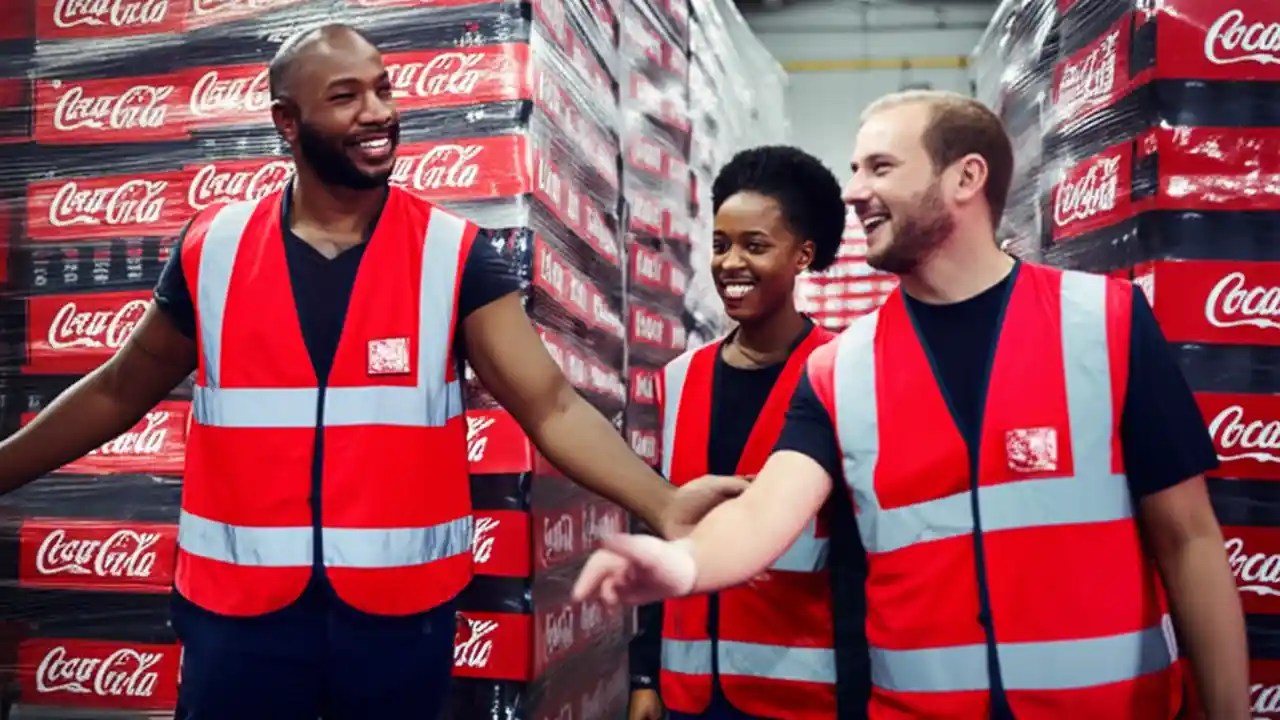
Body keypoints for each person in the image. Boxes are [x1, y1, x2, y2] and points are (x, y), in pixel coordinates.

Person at [0, 24, 743, 720]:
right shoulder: (213, 248)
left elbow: (550, 405)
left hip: (398, 620)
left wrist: (664, 504)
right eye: (346, 96)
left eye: (383, 89)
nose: (378, 112)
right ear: (286, 123)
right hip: (239, 616)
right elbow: (119, 388)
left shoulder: (452, 253)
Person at [575, 89, 1252, 719]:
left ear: (966, 178)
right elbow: (762, 513)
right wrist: (681, 564)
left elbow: (1188, 538)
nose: (854, 191)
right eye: (854, 168)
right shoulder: (841, 369)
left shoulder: (1103, 322)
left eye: (880, 167)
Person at [627, 146, 847, 720]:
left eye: (755, 246)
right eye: (721, 245)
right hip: (688, 691)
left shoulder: (845, 371)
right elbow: (664, 527)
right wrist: (645, 670)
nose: (730, 264)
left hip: (802, 691)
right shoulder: (680, 378)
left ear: (804, 255)